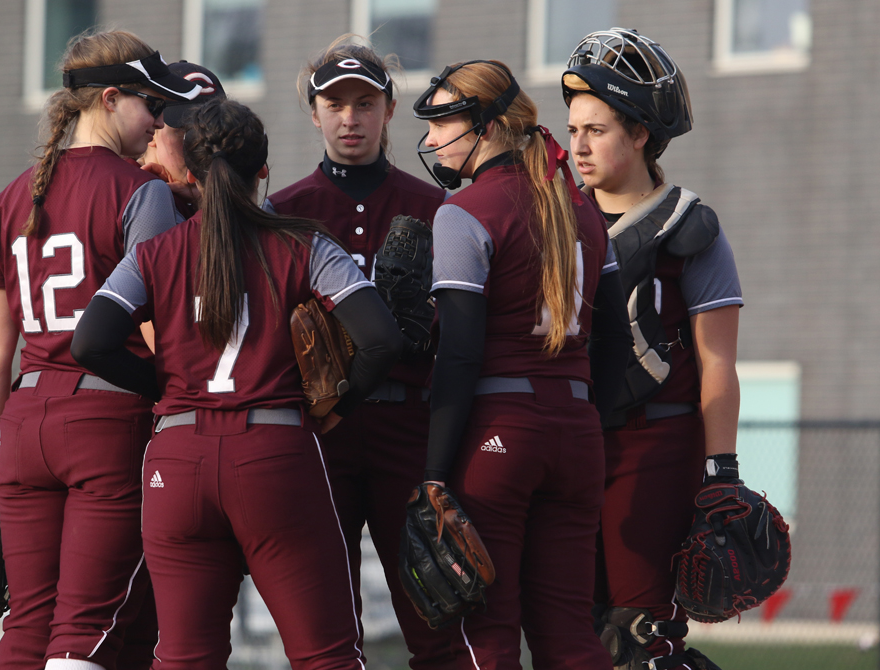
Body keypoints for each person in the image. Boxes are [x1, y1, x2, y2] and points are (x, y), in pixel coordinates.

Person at [70, 98, 405, 669]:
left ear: (190, 174)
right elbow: (382, 340)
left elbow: (89, 343)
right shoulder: (305, 242)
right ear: (263, 173)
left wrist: (167, 386)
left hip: (177, 459)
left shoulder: (154, 253)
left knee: (182, 657)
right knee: (326, 656)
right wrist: (339, 406)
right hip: (274, 454)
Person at [0, 30, 206, 670]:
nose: (159, 121)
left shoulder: (8, 199)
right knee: (86, 629)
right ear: (108, 98)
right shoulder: (141, 190)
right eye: (149, 105)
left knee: (27, 626)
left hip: (23, 424)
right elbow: (162, 331)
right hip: (108, 418)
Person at [412, 58, 631, 668]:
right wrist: (592, 422)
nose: (430, 138)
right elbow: (617, 337)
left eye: (443, 121)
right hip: (577, 430)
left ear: (484, 124)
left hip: (498, 429)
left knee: (489, 631)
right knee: (568, 632)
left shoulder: (467, 210)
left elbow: (459, 351)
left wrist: (432, 473)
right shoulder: (582, 207)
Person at [262, 36, 448, 667]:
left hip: (408, 424)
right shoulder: (283, 213)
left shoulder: (434, 206)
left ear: (390, 110)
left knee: (435, 608)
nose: (350, 117)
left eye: (364, 102)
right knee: (327, 627)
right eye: (334, 103)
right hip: (320, 432)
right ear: (313, 113)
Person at [562, 28, 743, 669]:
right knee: (567, 634)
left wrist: (723, 473)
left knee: (637, 638)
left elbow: (718, 361)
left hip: (656, 443)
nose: (578, 145)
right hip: (567, 442)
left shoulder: (688, 225)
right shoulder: (553, 219)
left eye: (598, 129)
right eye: (573, 128)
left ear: (640, 133)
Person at [140, 60, 226, 217]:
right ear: (152, 126)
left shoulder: (215, 196)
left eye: (213, 131)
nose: (202, 145)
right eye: (186, 131)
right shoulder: (126, 194)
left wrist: (206, 199)